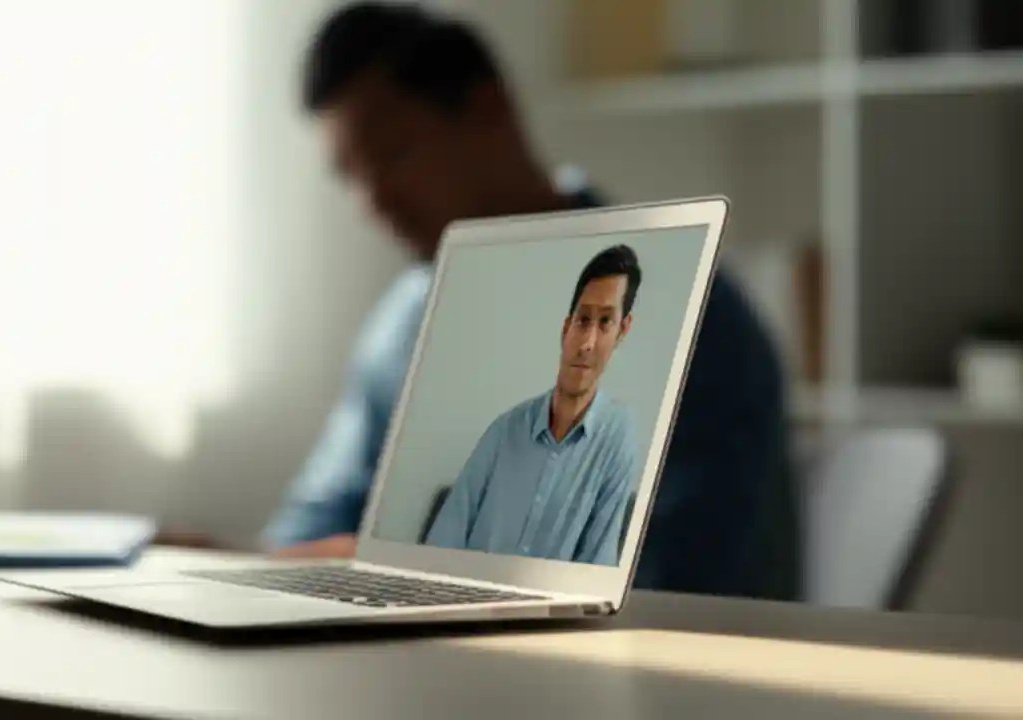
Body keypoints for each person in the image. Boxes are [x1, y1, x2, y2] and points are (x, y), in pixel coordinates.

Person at [263, 2, 800, 600]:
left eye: (395, 156)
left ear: (488, 109)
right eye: (353, 177)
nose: (375, 202)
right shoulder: (402, 323)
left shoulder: (688, 313)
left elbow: (691, 585)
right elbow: (314, 525)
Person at [424, 246, 642, 565]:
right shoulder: (504, 429)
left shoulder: (618, 437)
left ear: (622, 331)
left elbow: (596, 572)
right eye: (582, 320)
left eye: (605, 322)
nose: (587, 343)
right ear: (565, 327)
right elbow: (442, 542)